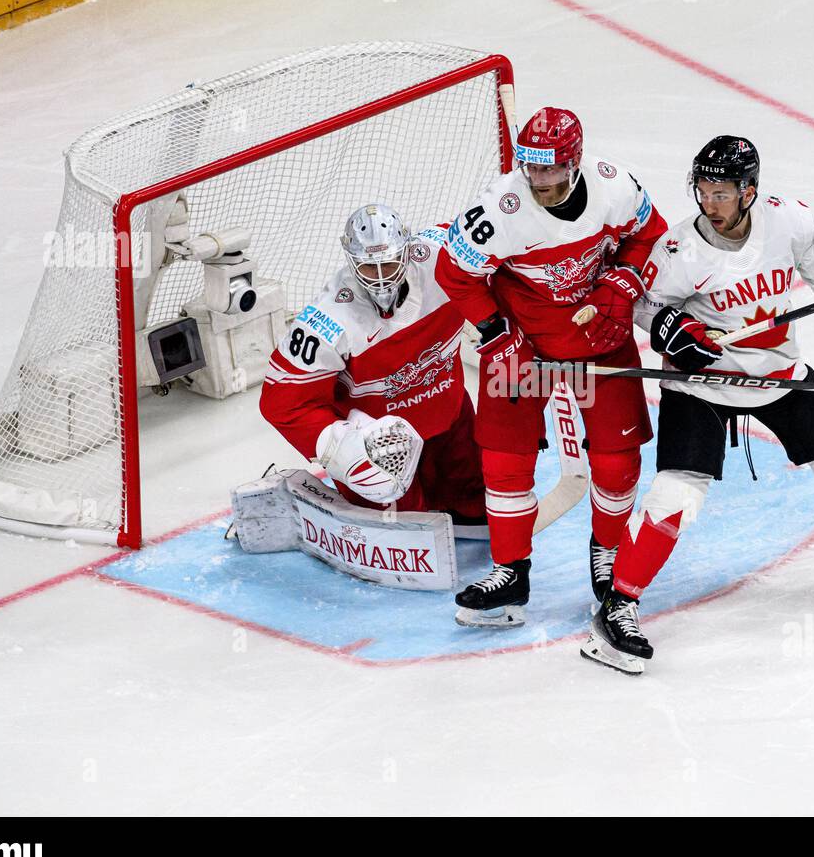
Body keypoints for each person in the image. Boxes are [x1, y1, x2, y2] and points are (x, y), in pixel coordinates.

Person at [582, 135, 814, 674]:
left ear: (749, 191)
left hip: (776, 377)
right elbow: (647, 306)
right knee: (675, 497)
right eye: (701, 190)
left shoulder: (787, 220)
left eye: (721, 192)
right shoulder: (680, 251)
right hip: (702, 387)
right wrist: (673, 329)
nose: (708, 203)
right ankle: (618, 607)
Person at [434, 106, 667, 627]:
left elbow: (651, 234)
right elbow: (454, 271)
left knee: (617, 459)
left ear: (574, 161)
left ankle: (606, 555)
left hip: (599, 339)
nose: (537, 178)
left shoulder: (614, 186)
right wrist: (495, 333)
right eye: (529, 166)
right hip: (522, 346)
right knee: (503, 458)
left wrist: (620, 284)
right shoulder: (499, 209)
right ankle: (510, 570)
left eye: (549, 167)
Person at [260, 204, 485, 526]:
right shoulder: (327, 320)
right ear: (351, 261)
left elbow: (506, 233)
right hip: (383, 446)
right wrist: (343, 449)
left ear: (408, 249)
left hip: (448, 411)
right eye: (369, 268)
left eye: (390, 263)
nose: (381, 278)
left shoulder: (443, 256)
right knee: (405, 527)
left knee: (477, 501)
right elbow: (282, 401)